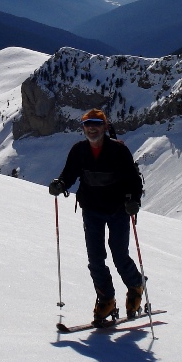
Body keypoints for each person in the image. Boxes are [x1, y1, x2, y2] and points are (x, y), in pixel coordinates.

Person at [49, 109, 146, 324]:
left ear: (104, 127)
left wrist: (134, 201)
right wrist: (61, 184)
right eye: (87, 124)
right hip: (92, 210)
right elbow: (70, 174)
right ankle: (106, 298)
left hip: (118, 209)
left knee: (119, 255)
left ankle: (135, 285)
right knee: (95, 259)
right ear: (83, 128)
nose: (91, 128)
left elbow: (133, 180)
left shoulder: (119, 151)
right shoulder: (79, 151)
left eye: (96, 123)